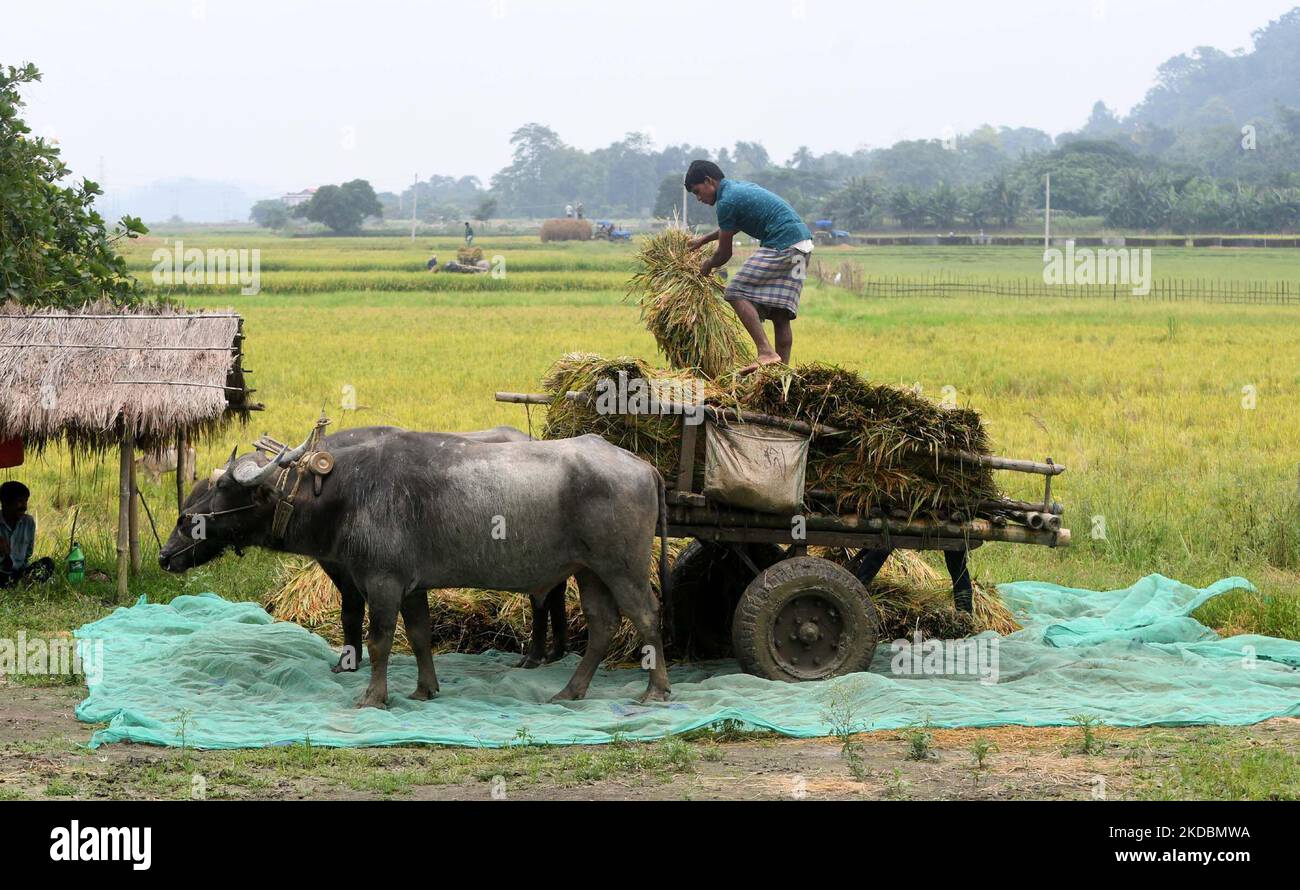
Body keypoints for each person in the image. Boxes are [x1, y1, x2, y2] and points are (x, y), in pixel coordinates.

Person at [684, 160, 813, 374]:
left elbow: (724, 254)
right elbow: (731, 226)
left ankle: (766, 352)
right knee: (781, 314)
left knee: (735, 292)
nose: (699, 199)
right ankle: (781, 376)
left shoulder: (726, 201)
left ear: (709, 181)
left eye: (698, 192)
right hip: (803, 247)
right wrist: (703, 240)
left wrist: (706, 266)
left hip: (783, 244)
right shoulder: (737, 189)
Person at [0, 481, 53, 588]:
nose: (24, 506)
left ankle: (21, 584)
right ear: (5, 503)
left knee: (48, 563)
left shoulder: (28, 522)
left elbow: (28, 552)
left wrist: (21, 570)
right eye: (19, 501)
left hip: (19, 572)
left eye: (26, 501)